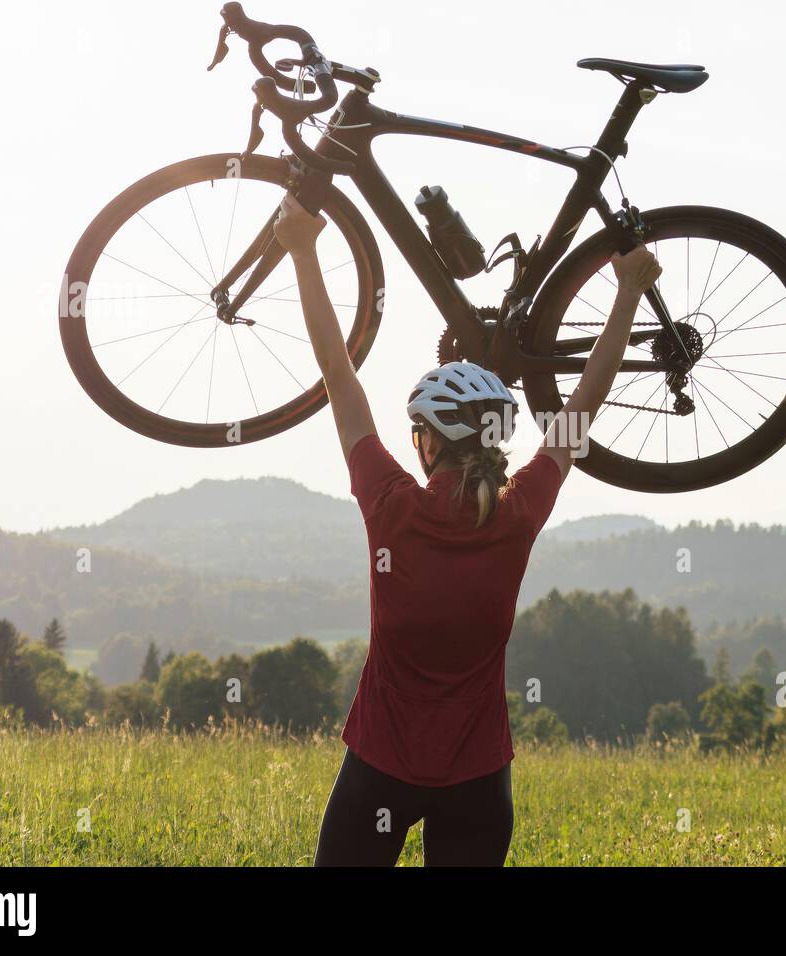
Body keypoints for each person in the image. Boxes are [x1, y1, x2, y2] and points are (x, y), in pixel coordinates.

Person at [272, 192, 662, 866]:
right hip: (480, 781)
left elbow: (339, 374)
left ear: (426, 442)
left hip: (379, 771)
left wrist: (303, 250)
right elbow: (582, 405)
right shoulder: (517, 509)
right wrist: (629, 289)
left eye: (415, 431)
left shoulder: (391, 503)